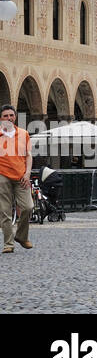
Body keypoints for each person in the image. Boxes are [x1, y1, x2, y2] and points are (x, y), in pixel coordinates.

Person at [0, 105, 33, 253]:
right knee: (4, 211)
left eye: (11, 115)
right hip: (2, 175)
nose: (8, 118)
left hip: (21, 176)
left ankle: (21, 236)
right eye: (5, 116)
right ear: (1, 118)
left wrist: (27, 174)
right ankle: (8, 244)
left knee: (28, 207)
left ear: (15, 117)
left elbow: (28, 155)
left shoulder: (23, 133)